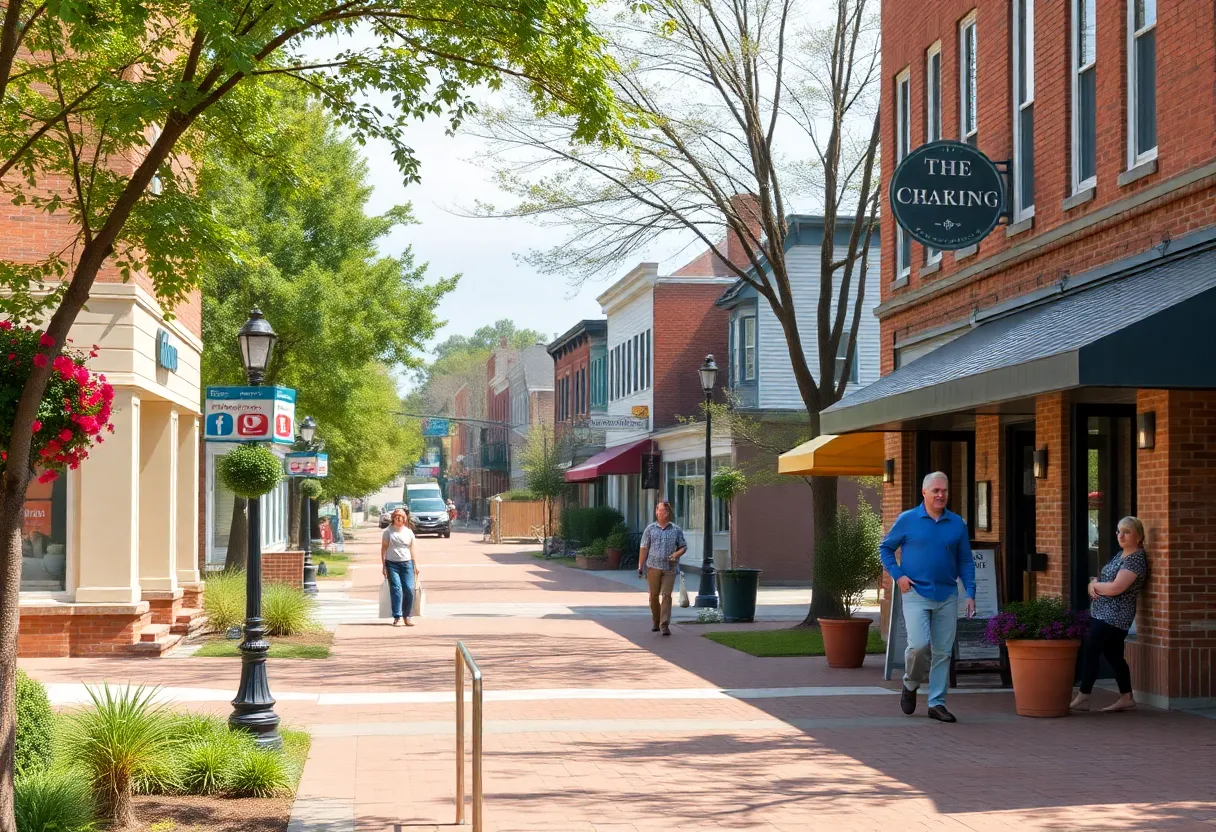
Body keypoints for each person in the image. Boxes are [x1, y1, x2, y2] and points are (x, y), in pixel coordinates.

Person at [879, 471, 976, 723]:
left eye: (944, 490)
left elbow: (966, 561)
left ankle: (937, 703)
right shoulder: (908, 519)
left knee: (943, 652)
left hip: (947, 594)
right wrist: (898, 575)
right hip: (915, 592)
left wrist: (970, 593)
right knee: (919, 645)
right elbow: (886, 548)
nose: (941, 495)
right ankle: (910, 683)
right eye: (936, 491)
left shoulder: (957, 523)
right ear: (924, 492)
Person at [1071, 516, 1149, 713]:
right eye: (1118, 531)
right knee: (1113, 655)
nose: (1120, 536)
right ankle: (1126, 697)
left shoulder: (1136, 559)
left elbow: (1116, 588)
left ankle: (1084, 695)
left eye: (1127, 532)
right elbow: (1101, 577)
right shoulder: (1121, 555)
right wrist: (1092, 584)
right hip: (1101, 612)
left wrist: (1094, 586)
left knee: (1091, 650)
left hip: (1115, 616)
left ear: (1139, 537)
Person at [638, 501, 687, 636]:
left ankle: (664, 624)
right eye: (658, 510)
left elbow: (683, 546)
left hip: (669, 568)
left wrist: (676, 554)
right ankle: (656, 620)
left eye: (663, 511)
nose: (660, 513)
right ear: (656, 512)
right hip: (653, 567)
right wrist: (640, 566)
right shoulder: (650, 529)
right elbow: (644, 547)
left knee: (666, 595)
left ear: (667, 513)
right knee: (654, 596)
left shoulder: (676, 529)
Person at [381, 507, 421, 627]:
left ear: (405, 519)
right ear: (393, 518)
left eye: (401, 517)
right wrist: (384, 566)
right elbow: (383, 549)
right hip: (392, 564)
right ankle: (397, 617)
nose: (399, 518)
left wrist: (416, 564)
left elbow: (412, 549)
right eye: (397, 516)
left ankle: (407, 616)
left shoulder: (409, 532)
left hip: (407, 564)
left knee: (409, 589)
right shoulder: (388, 532)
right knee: (396, 589)